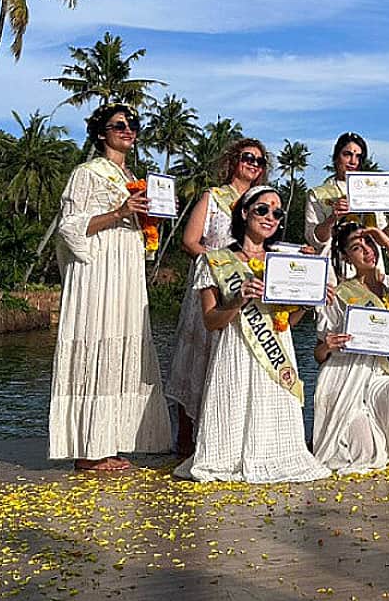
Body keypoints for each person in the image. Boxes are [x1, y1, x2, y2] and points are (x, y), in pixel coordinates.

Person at [174, 186, 331, 483]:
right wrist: (237, 300)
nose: (270, 217)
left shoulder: (287, 262)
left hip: (277, 348)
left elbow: (289, 320)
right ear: (244, 213)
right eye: (262, 209)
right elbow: (210, 321)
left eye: (277, 212)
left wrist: (309, 300)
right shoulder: (215, 260)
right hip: (235, 348)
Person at [50, 103, 171, 471]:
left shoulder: (133, 176)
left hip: (126, 271)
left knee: (123, 347)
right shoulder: (86, 174)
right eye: (118, 125)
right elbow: (70, 227)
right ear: (101, 133)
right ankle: (88, 450)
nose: (127, 129)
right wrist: (119, 213)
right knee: (97, 344)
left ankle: (112, 442)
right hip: (98, 272)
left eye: (132, 124)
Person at [167, 138, 268, 457]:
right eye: (247, 158)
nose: (253, 164)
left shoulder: (262, 202)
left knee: (232, 365)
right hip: (212, 287)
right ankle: (185, 439)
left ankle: (224, 436)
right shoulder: (213, 197)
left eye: (259, 161)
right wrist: (223, 263)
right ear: (233, 160)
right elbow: (190, 241)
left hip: (245, 292)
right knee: (198, 361)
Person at [312, 222, 389, 473]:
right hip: (347, 381)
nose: (366, 250)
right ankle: (377, 442)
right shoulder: (338, 294)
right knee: (361, 455)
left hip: (380, 378)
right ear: (346, 257)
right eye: (356, 247)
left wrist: (388, 243)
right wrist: (328, 346)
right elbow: (318, 355)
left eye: (369, 243)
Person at [304, 132, 389, 274]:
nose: (353, 161)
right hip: (334, 268)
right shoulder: (318, 194)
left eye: (358, 156)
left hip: (371, 267)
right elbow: (315, 239)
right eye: (347, 154)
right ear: (336, 157)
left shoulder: (372, 191)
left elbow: (382, 237)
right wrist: (332, 218)